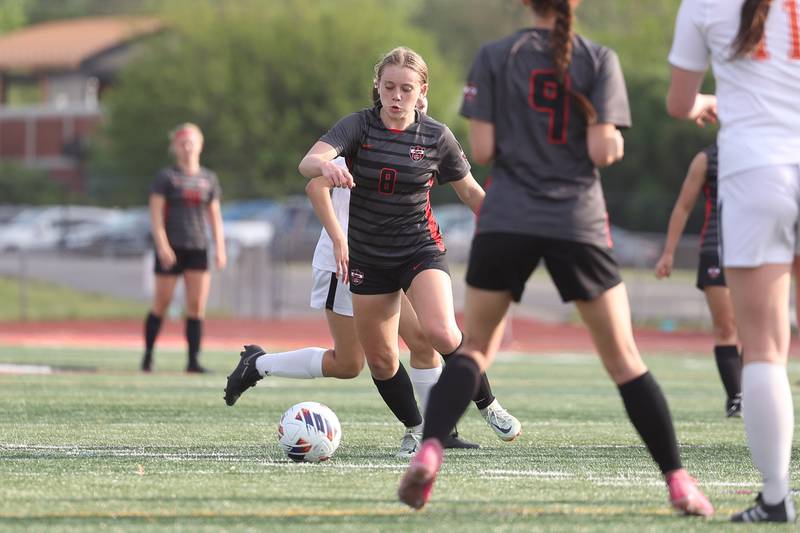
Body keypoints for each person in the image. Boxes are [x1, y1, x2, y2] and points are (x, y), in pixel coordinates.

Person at [399, 0, 715, 517]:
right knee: (624, 360)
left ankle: (430, 450)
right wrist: (610, 140)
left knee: (475, 347)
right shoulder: (598, 57)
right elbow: (600, 152)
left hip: (507, 217)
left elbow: (481, 148)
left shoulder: (495, 55)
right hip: (576, 220)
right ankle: (678, 482)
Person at [223, 95, 481, 454]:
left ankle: (437, 431)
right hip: (344, 262)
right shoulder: (360, 135)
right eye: (396, 89)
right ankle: (259, 363)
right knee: (349, 364)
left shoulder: (425, 141)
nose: (409, 100)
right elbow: (315, 186)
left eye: (416, 93)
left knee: (424, 338)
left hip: (393, 257)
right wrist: (339, 238)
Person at [296, 46, 521, 454]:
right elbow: (308, 164)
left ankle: (489, 405)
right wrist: (325, 165)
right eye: (389, 87)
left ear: (422, 91)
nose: (396, 97)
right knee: (381, 359)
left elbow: (470, 191)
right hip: (368, 258)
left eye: (406, 89)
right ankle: (416, 429)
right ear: (378, 88)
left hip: (420, 247)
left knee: (439, 331)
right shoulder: (358, 127)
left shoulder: (436, 136)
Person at [666, 0, 799, 523]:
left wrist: (705, 101)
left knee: (763, 347)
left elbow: (679, 102)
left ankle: (775, 497)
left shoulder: (702, 4)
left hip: (756, 171)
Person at [654, 141, 742, 417]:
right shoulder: (707, 158)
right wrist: (668, 253)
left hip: (758, 249)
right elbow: (683, 206)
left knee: (757, 329)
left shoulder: (771, 147)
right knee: (726, 326)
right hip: (716, 249)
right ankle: (737, 397)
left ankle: (756, 392)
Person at [141, 123, 226, 373]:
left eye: (191, 142)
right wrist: (163, 246)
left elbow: (215, 217)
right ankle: (148, 356)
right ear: (175, 147)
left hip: (198, 247)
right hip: (172, 247)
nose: (187, 146)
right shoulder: (166, 178)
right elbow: (155, 216)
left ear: (199, 145)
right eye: (182, 142)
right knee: (162, 302)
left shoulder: (208, 179)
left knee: (196, 306)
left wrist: (220, 247)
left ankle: (193, 361)